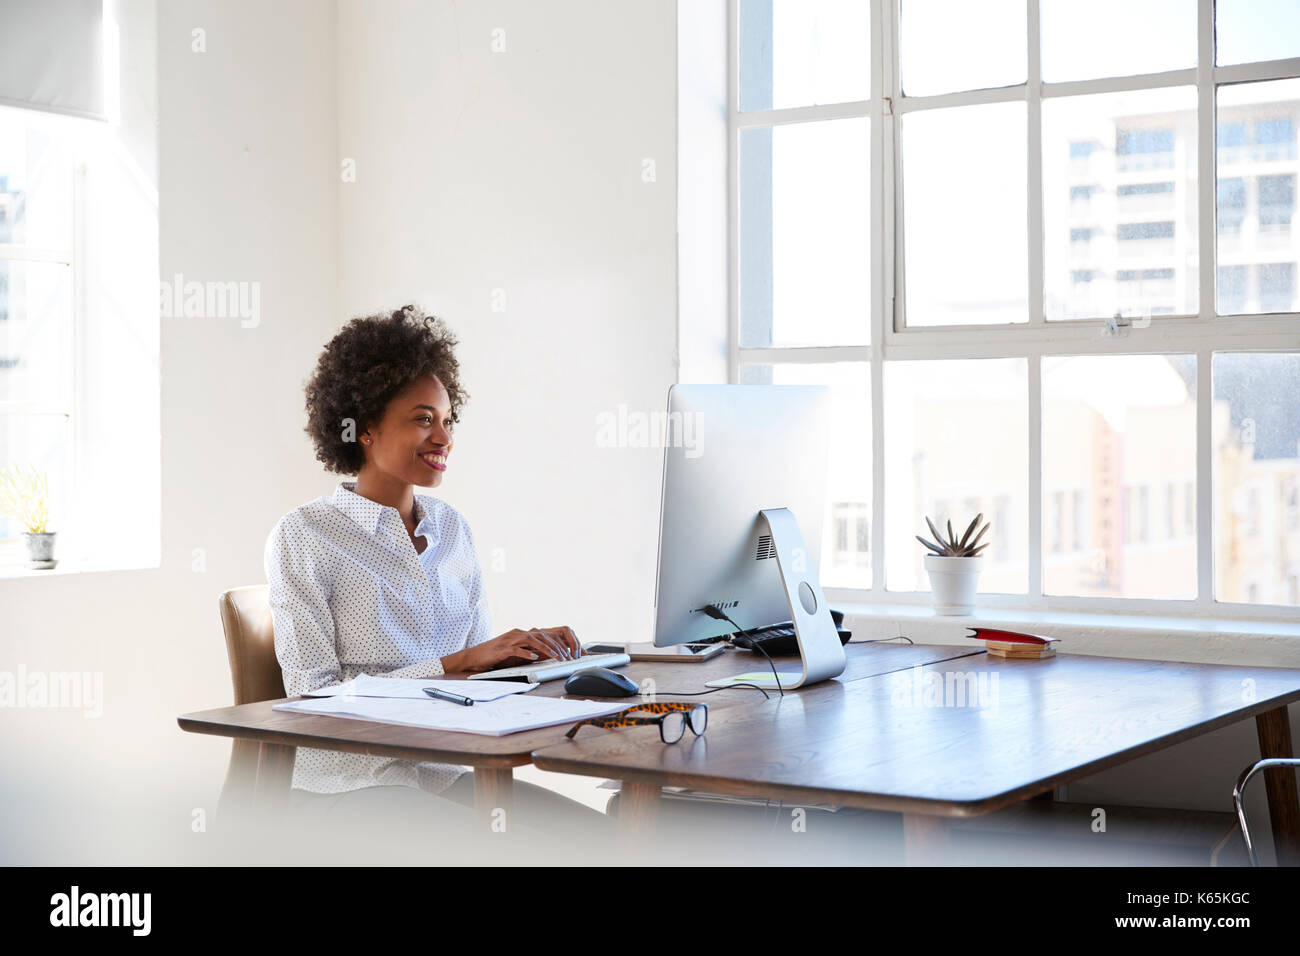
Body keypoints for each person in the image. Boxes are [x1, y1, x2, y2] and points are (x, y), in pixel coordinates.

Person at [264, 304, 608, 845]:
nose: (443, 436)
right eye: (423, 418)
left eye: (448, 420)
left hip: (445, 776)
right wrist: (454, 663)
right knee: (522, 851)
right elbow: (313, 696)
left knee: (601, 839)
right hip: (349, 788)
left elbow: (481, 677)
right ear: (366, 428)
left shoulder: (453, 530)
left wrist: (536, 662)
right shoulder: (305, 534)